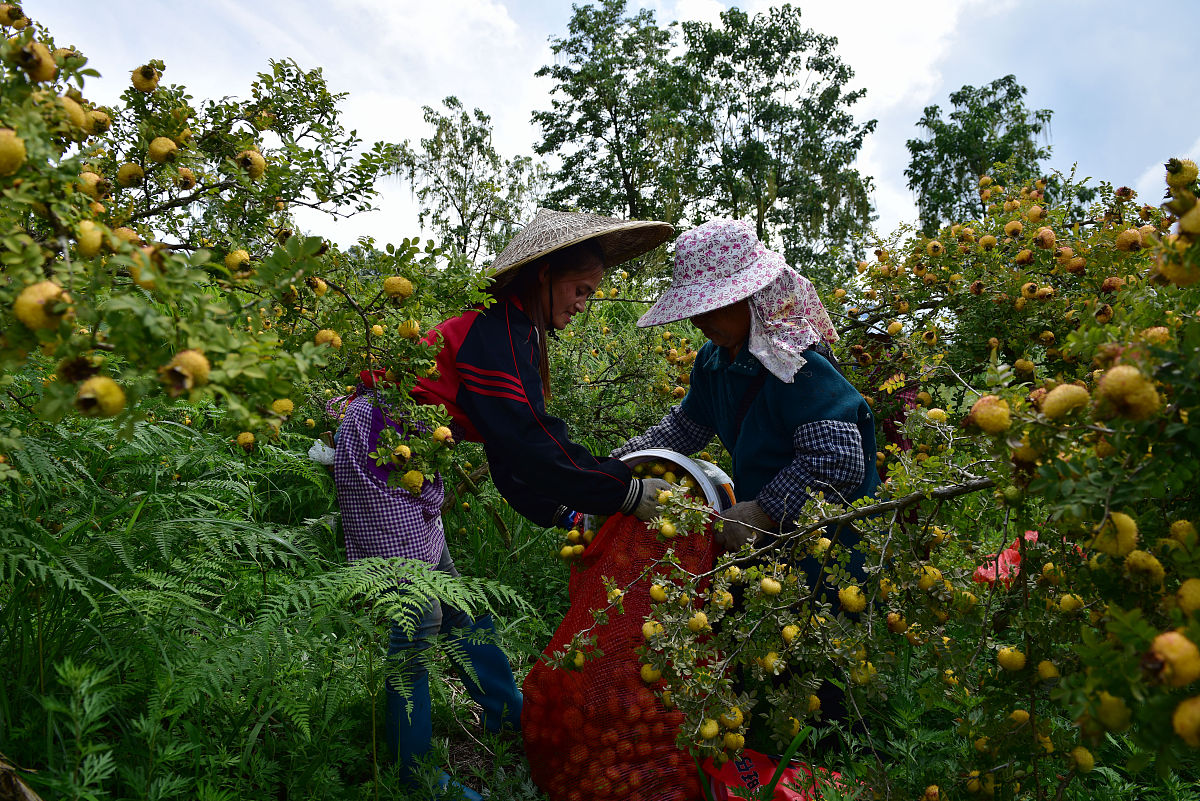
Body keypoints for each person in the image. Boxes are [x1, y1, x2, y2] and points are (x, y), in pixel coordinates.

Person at [332, 208, 674, 796]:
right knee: (418, 613)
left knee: (455, 596)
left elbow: (510, 451)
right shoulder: (497, 331)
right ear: (542, 275)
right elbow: (527, 438)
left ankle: (504, 710)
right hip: (381, 449)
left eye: (591, 293)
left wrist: (568, 512)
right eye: (579, 289)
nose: (583, 303)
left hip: (415, 460)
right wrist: (625, 490)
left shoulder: (519, 337)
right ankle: (412, 776)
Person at [611, 218, 880, 751]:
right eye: (697, 308)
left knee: (818, 661)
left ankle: (832, 765)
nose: (703, 320)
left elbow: (840, 461)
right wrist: (616, 466)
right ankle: (765, 750)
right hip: (773, 536)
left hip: (831, 538)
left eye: (716, 304)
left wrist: (763, 511)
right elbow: (684, 428)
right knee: (767, 649)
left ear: (753, 295)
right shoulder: (716, 361)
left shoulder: (794, 363)